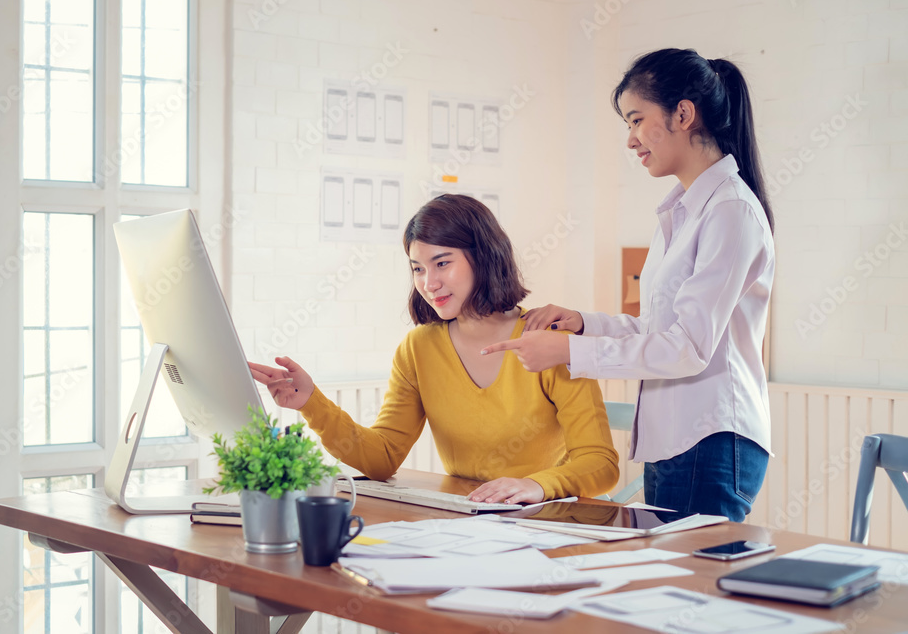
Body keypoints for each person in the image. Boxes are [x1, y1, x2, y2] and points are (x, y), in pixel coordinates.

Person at [482, 49, 775, 522]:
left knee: (689, 589)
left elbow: (688, 348)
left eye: (636, 120)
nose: (631, 140)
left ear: (683, 113)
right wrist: (582, 325)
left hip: (710, 440)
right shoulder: (683, 211)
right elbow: (658, 329)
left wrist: (569, 354)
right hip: (677, 437)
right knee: (667, 586)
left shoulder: (731, 211)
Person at [249, 194, 619, 504]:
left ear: (484, 256)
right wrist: (311, 401)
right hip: (469, 519)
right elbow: (382, 458)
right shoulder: (419, 348)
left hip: (552, 521)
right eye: (417, 269)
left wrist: (536, 485)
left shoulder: (548, 340)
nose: (429, 283)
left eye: (442, 263)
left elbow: (601, 464)